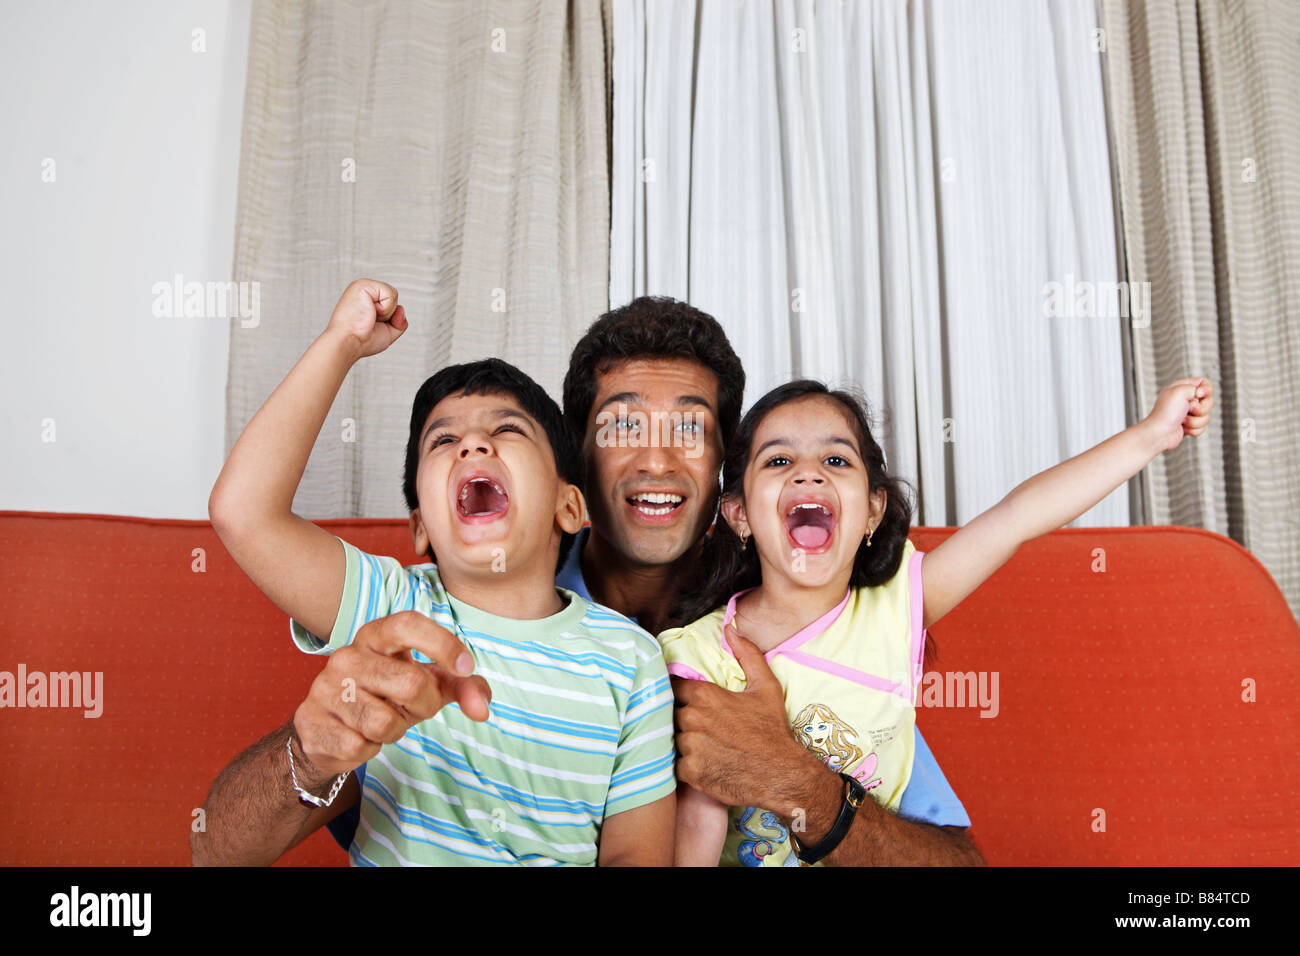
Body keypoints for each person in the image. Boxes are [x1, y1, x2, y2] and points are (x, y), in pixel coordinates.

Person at [193, 294, 981, 866]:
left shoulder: (805, 612)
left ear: (729, 480)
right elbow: (215, 847)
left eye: (690, 433)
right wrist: (311, 752)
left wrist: (801, 783)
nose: (656, 460)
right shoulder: (441, 608)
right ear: (576, 472)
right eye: (622, 426)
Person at [200, 279, 675, 865]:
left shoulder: (630, 660)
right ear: (422, 526)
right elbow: (242, 511)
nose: (472, 444)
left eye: (506, 430)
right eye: (443, 440)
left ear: (569, 506)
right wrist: (341, 343)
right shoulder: (390, 605)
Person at [666, 375, 1215, 866]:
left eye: (836, 461)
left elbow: (1018, 516)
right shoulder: (701, 650)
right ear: (739, 514)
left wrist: (1150, 434)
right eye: (779, 461)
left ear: (873, 512)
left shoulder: (898, 603)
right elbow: (698, 815)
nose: (809, 474)